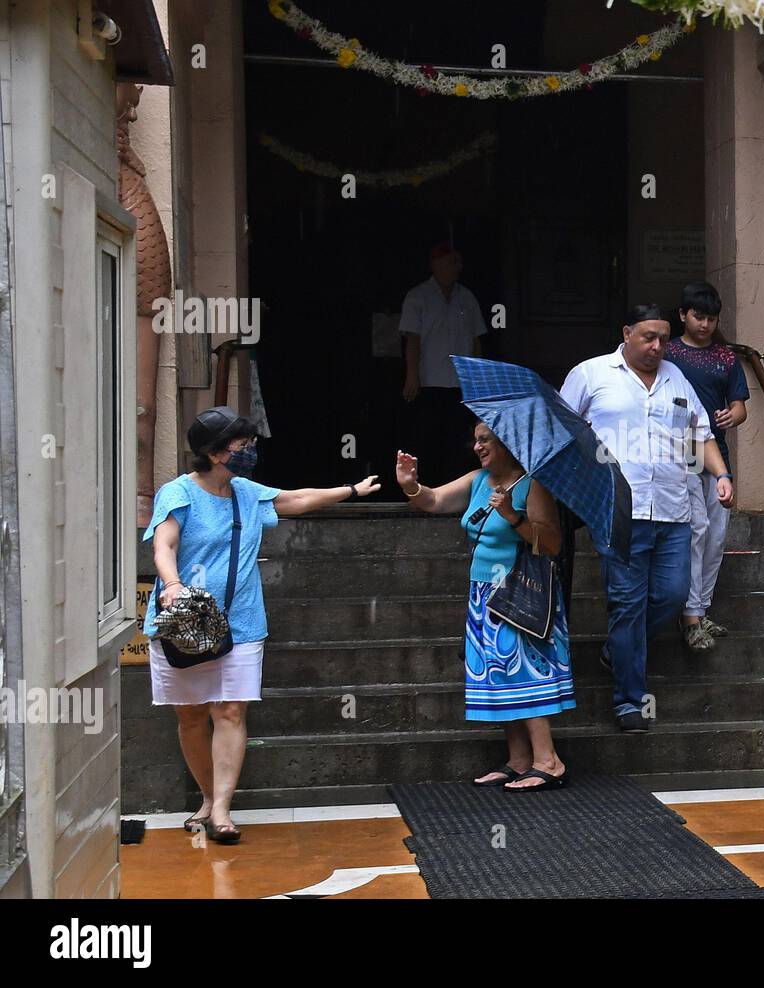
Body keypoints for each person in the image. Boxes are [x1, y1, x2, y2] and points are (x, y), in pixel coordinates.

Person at [144, 406, 380, 843]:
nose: (250, 451)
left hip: (241, 622)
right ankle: (205, 796)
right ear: (215, 453)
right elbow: (164, 544)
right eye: (242, 445)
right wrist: (172, 584)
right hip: (184, 623)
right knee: (192, 717)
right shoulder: (178, 493)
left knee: (231, 710)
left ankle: (221, 810)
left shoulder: (246, 491)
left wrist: (350, 490)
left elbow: (296, 498)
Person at [560, 304, 735, 733]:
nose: (657, 346)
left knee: (674, 596)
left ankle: (615, 652)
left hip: (674, 508)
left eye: (662, 338)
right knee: (626, 603)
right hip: (619, 511)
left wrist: (722, 475)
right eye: (648, 338)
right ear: (626, 333)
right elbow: (562, 429)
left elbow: (701, 435)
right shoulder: (591, 374)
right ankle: (629, 701)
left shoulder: (677, 377)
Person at [396, 424, 574, 790]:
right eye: (475, 438)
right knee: (499, 674)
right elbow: (433, 501)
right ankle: (520, 760)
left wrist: (513, 515)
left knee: (525, 672)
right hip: (484, 595)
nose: (476, 446)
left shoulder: (532, 483)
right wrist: (409, 484)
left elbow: (552, 543)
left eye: (485, 439)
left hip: (518, 595)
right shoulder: (479, 480)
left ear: (508, 441)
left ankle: (549, 761)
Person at [664, 282, 750, 652]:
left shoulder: (726, 359)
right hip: (679, 455)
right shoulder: (666, 355)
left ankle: (701, 607)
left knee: (715, 536)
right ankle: (690, 616)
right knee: (696, 530)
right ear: (682, 315)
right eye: (698, 317)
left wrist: (733, 415)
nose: (705, 325)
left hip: (718, 457)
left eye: (712, 319)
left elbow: (741, 406)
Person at [400, 242, 487, 485]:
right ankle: (423, 490)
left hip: (460, 382)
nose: (457, 267)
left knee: (458, 440)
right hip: (429, 381)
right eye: (452, 262)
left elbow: (475, 340)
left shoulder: (466, 297)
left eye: (458, 262)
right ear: (436, 265)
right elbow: (412, 338)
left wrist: (477, 378)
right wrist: (412, 375)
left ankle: (454, 490)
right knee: (426, 438)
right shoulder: (418, 296)